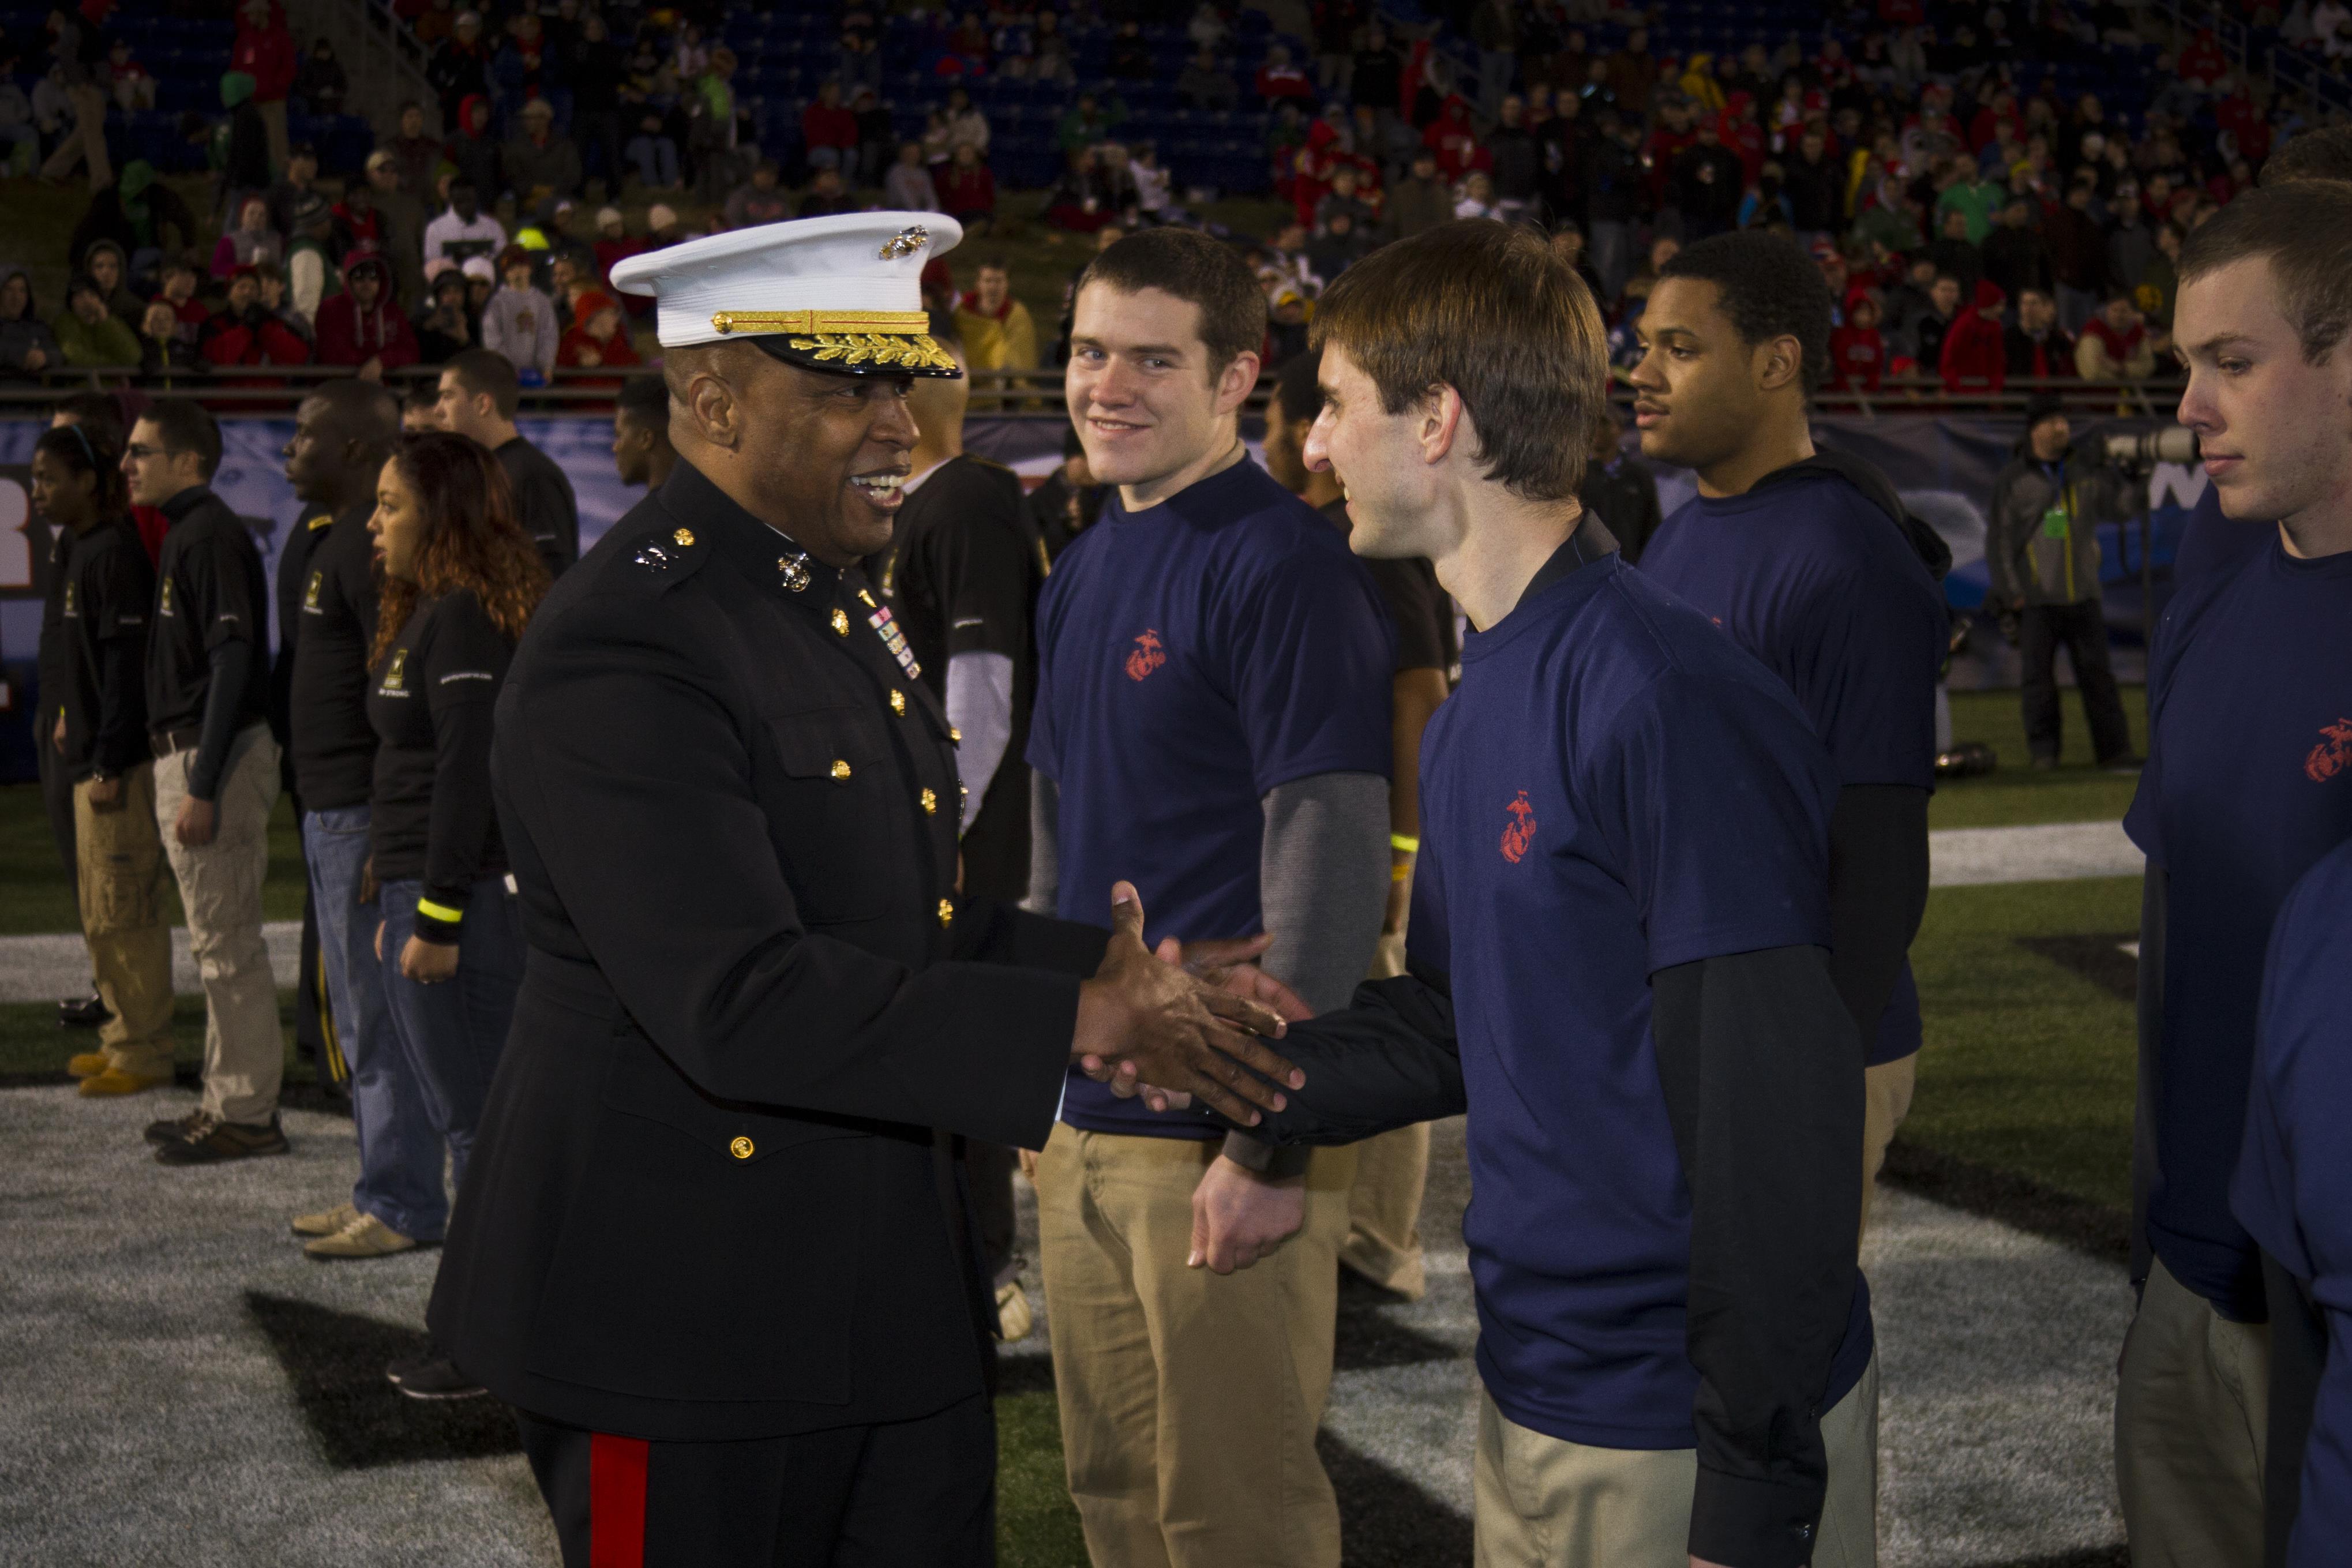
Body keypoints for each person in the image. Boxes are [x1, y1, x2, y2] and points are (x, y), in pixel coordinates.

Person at [425, 209, 1306, 1563]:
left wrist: (1109, 974)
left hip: (883, 1291)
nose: (897, 424)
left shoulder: (823, 600)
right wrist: (1080, 1020)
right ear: (710, 398)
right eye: (847, 388)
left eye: (901, 381)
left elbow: (896, 922)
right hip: (681, 1321)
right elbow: (738, 995)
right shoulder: (624, 640)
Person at [1219, 217, 1878, 1567]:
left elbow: (1771, 1131)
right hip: (1533, 1389)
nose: (1312, 445)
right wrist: (1214, 1051)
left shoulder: (1665, 697)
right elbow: (1460, 1022)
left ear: (1439, 416)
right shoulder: (1480, 701)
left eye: (1337, 406)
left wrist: (1749, 1496)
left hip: (1667, 1432)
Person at [1027, 226, 1395, 1568]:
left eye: (1149, 360)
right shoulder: (1079, 567)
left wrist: (1267, 1143)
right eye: (1085, 352)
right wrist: (1033, 1076)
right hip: (1087, 1122)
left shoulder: (1282, 562)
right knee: (1113, 1495)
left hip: (1212, 1138)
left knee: (1232, 1520)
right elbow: (1059, 845)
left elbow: (1332, 857)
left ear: (1236, 376)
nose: (1104, 386)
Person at [2119, 181, 2352, 1568]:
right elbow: (2178, 936)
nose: (2189, 409)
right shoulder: (2211, 592)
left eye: (2232, 362)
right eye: (2183, 369)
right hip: (2184, 1273)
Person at [1629, 230, 1949, 1237]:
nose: (1639, 373)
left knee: (1782, 1368)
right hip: (1691, 1025)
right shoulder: (1678, 534)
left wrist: (1804, 1073)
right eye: (1642, 344)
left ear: (1776, 362)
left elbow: (1882, 855)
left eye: (1678, 347)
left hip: (1795, 1042)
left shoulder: (1848, 557)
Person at [862, 310, 1050, 1336]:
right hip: (942, 831)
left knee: (969, 1052)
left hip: (967, 843)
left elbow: (984, 684)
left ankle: (988, 1272)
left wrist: (939, 823)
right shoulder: (924, 507)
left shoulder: (968, 498)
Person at [1262, 344, 1457, 1301]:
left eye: (1283, 420)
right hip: (1346, 826)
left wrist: (1401, 849)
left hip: (1369, 831)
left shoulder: (1364, 539)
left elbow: (1420, 690)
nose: (1281, 442)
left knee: (1376, 1021)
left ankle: (1377, 1241)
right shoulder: (1325, 539)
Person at [367, 431, 549, 1392]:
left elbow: (465, 777)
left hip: (466, 905)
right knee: (472, 1123)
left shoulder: (465, 621)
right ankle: (488, 1327)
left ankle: (493, 1340)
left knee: (481, 1129)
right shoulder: (437, 612)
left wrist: (434, 914)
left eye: (391, 504)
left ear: (438, 515)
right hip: (433, 896)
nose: (374, 523)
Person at [275, 382, 443, 1260]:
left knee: (377, 1019)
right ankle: (386, 1184)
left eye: (307, 434)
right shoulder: (336, 541)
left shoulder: (366, 554)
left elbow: (397, 701)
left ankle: (405, 1200)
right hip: (333, 807)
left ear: (351, 447)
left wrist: (383, 826)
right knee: (361, 1013)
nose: (289, 448)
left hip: (356, 812)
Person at [122, 399, 286, 1165]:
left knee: (227, 946)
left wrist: (205, 779)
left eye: (142, 452)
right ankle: (229, 1101)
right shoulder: (193, 532)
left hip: (208, 756)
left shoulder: (208, 533)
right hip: (197, 754)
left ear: (189, 461)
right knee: (217, 943)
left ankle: (247, 1112)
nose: (128, 465)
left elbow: (231, 659)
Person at [36, 422, 171, 1094]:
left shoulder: (113, 551)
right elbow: (87, 665)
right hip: (92, 754)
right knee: (101, 911)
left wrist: (109, 762)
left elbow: (126, 668)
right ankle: (121, 1038)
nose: (37, 492)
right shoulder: (81, 547)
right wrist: (72, 722)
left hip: (114, 767)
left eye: (49, 478)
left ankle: (144, 1052)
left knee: (127, 910)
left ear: (89, 482)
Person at [1986, 397, 2136, 770]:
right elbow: (2000, 539)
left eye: (2063, 421)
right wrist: (2011, 593)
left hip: (2083, 594)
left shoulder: (2084, 469)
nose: (2061, 428)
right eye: (2052, 421)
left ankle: (2114, 753)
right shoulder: (2014, 478)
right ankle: (2044, 755)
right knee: (2037, 683)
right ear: (2034, 429)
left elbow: (2119, 510)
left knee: (2098, 679)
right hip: (2036, 598)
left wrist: (2130, 480)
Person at [433, 347, 577, 578]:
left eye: (448, 396)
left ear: (483, 404)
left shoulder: (533, 477)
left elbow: (552, 576)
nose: (438, 409)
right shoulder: (477, 472)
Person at [1574, 405, 1664, 562]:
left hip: (1629, 568)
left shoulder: (1639, 477)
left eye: (1604, 423)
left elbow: (1652, 530)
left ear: (1620, 429)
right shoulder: (1575, 476)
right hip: (1586, 571)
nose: (1597, 429)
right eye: (1591, 422)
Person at [314, 251, 419, 378]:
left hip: (383, 390)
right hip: (339, 388)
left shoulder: (393, 312)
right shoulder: (331, 309)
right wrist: (370, 364)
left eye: (373, 276)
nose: (367, 283)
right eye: (359, 276)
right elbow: (333, 354)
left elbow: (411, 351)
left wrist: (382, 361)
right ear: (348, 280)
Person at [480, 243, 558, 386]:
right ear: (506, 273)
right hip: (506, 376)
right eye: (512, 268)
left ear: (529, 269)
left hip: (536, 375)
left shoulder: (542, 301)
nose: (517, 272)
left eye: (521, 266)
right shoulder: (498, 303)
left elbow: (548, 335)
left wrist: (546, 366)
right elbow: (493, 338)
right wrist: (506, 366)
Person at [953, 256, 1038, 374]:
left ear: (1007, 284)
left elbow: (1020, 356)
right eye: (988, 281)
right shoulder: (962, 314)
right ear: (978, 284)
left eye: (998, 281)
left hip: (1004, 385)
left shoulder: (1016, 315)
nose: (993, 287)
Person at [422, 179, 506, 273]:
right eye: (460, 201)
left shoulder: (492, 226)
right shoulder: (436, 228)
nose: (465, 206)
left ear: (476, 198)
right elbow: (432, 264)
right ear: (451, 199)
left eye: (469, 200)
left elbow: (502, 257)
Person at [56, 275, 140, 367]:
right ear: (71, 302)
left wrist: (106, 322)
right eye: (80, 296)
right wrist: (115, 368)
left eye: (92, 295)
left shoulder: (111, 322)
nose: (87, 301)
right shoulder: (66, 322)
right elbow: (75, 356)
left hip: (112, 381)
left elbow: (133, 356)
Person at [609, 371, 674, 491]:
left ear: (646, 439)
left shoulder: (651, 510)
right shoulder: (712, 502)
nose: (615, 448)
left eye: (619, 436)